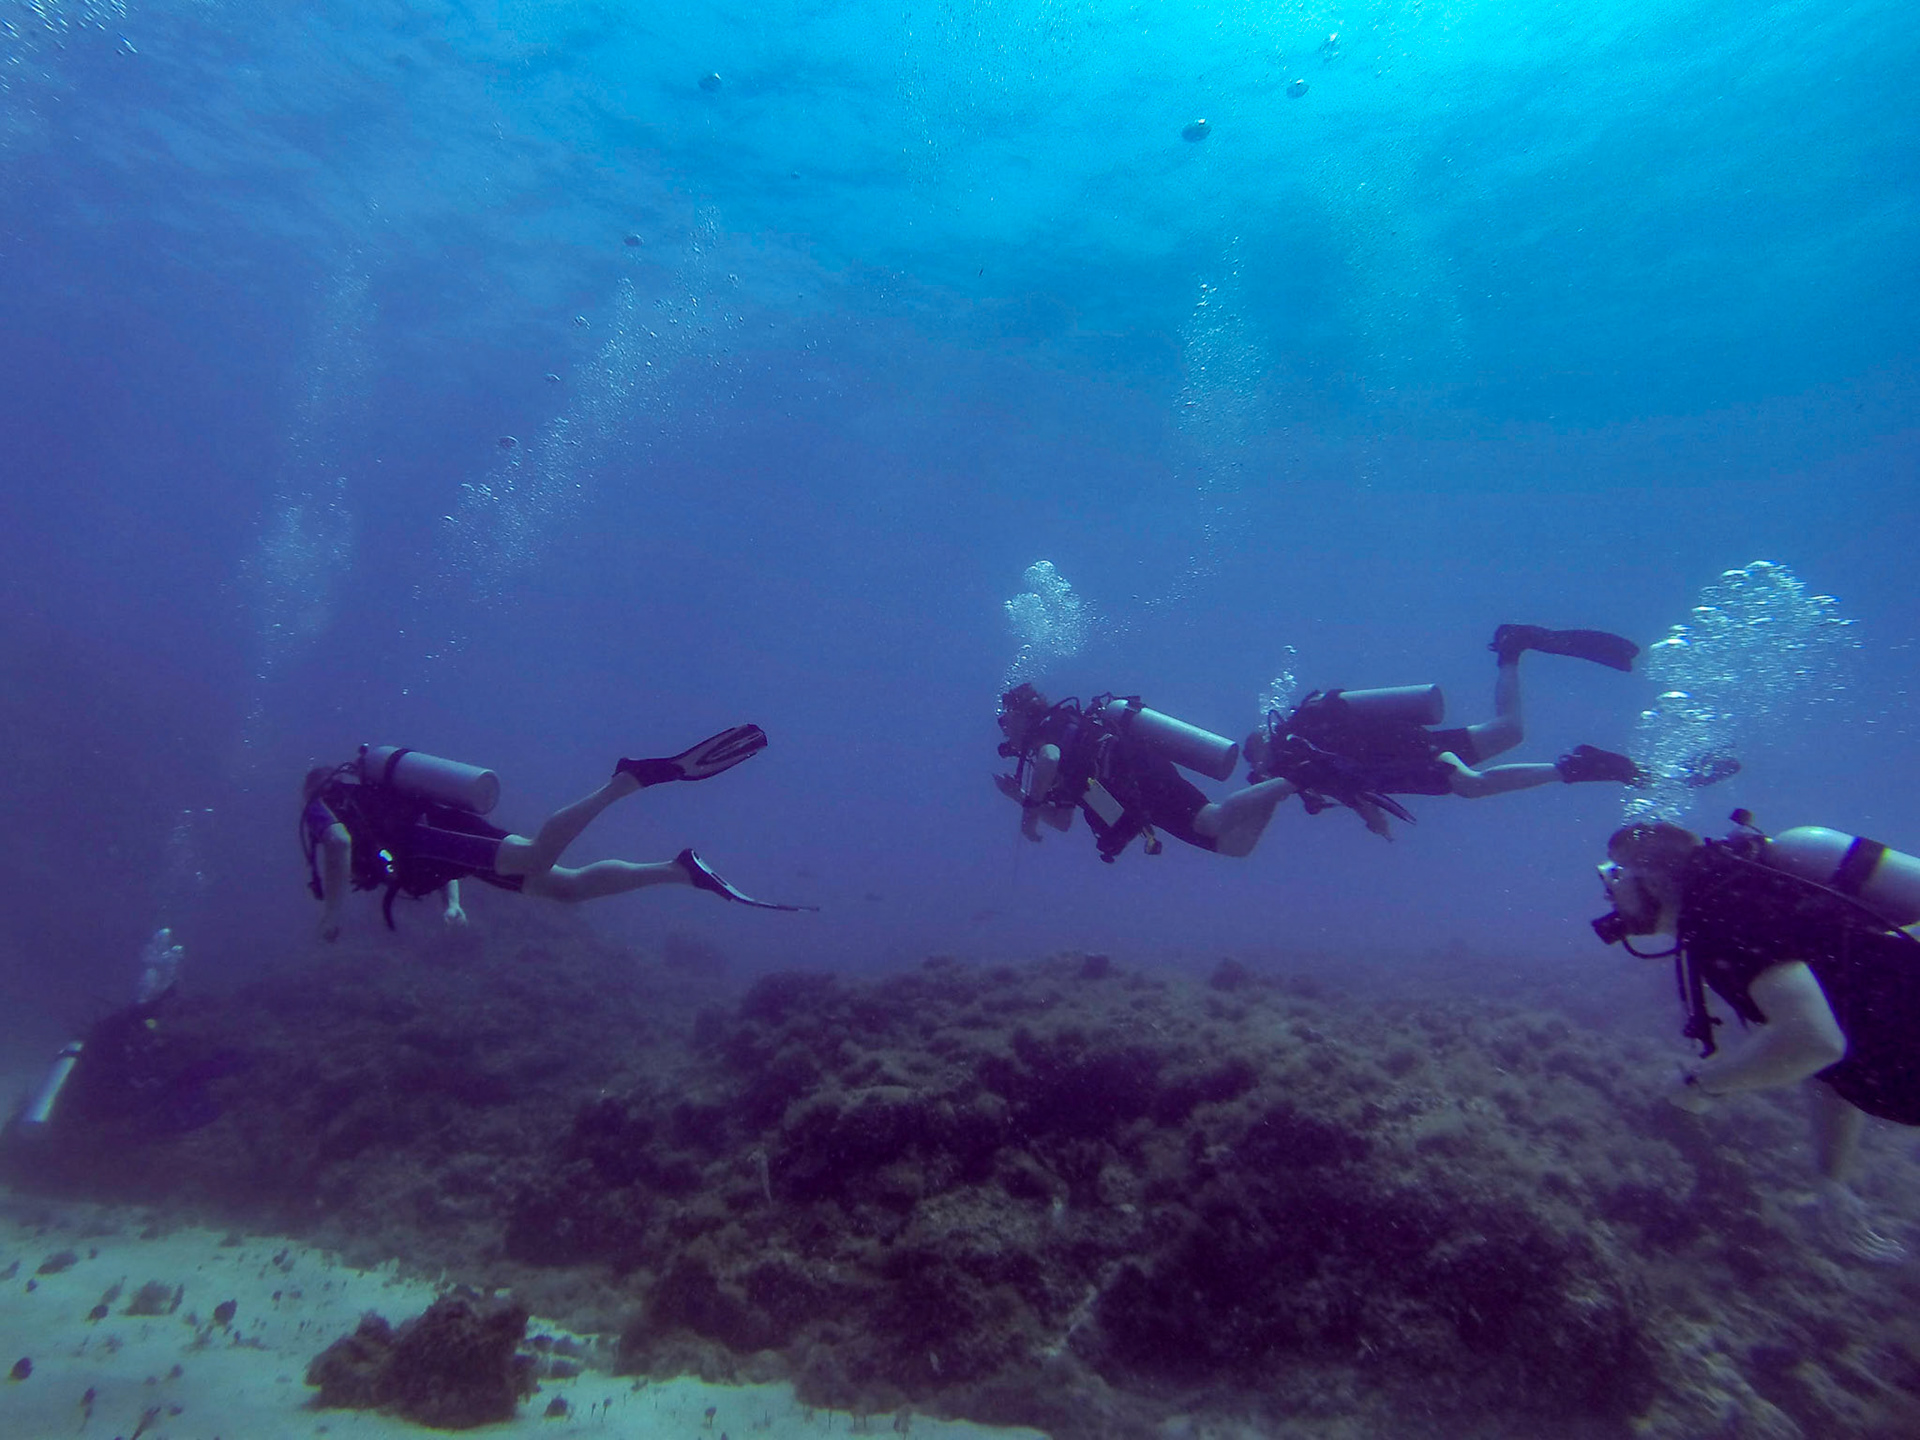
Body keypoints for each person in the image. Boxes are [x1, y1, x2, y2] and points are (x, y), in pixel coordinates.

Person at [1595, 816, 1920, 1262]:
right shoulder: (1732, 911)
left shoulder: (1725, 912)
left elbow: (1812, 1042)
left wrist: (1699, 1084)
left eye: (1614, 876)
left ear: (1648, 873)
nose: (1608, 894)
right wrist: (1832, 1179)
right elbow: (1827, 1062)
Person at [302, 726, 813, 938]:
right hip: (432, 844)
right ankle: (679, 871)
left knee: (533, 857)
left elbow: (342, 844)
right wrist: (451, 904)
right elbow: (431, 859)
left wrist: (330, 915)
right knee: (567, 890)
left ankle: (623, 782)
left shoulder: (322, 809)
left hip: (429, 837)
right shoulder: (360, 802)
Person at [1242, 623, 1650, 839]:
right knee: (1508, 731)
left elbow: (1347, 779)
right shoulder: (1301, 753)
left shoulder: (1293, 753)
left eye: (1255, 763)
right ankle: (1512, 647)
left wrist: (1371, 818)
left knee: (1472, 785)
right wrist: (1370, 818)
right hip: (1411, 745)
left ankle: (1574, 766)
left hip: (1411, 754)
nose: (1258, 773)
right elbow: (1348, 784)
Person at [994, 685, 1298, 862]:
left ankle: (1294, 779)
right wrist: (1021, 798)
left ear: (1022, 714)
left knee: (1212, 820)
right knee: (1235, 847)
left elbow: (1050, 757)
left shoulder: (1055, 726)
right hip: (1135, 803)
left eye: (1005, 719)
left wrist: (1030, 812)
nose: (1004, 729)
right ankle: (1272, 781)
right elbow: (1062, 821)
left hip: (1141, 774)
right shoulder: (1053, 750)